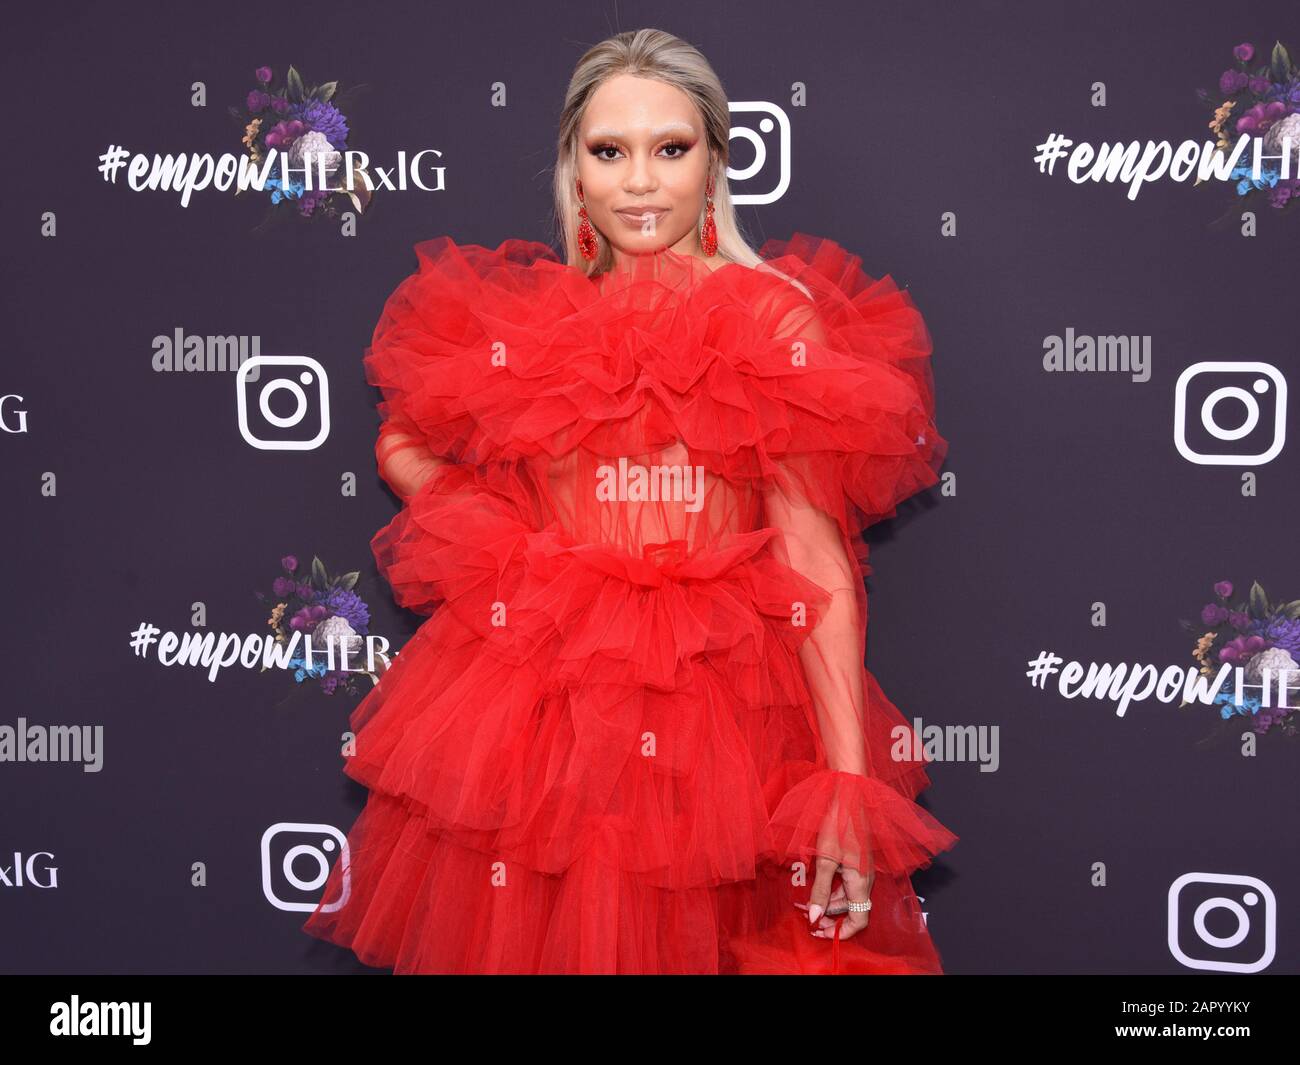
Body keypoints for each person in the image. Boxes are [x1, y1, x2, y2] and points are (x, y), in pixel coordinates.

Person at [302, 27, 957, 974]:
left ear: (717, 162)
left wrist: (847, 786)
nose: (640, 181)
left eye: (671, 149)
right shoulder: (522, 323)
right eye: (610, 152)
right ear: (574, 168)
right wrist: (513, 543)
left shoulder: (772, 316)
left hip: (735, 731)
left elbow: (816, 560)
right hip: (551, 727)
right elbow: (404, 440)